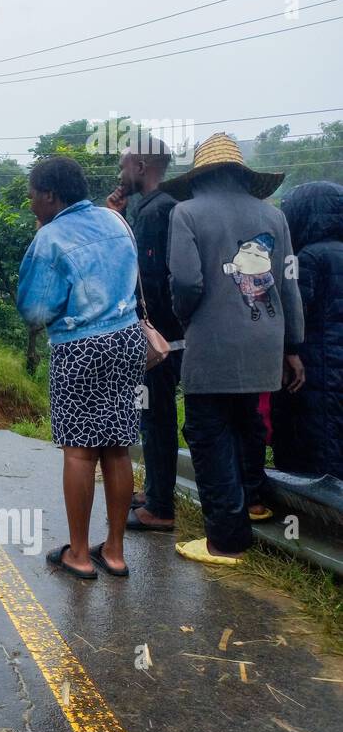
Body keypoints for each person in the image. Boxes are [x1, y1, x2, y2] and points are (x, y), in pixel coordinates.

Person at [163, 134, 304, 565]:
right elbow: (288, 284)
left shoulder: (185, 212)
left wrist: (189, 318)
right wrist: (293, 346)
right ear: (243, 175)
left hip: (212, 343)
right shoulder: (272, 216)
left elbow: (186, 283)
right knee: (249, 428)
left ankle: (224, 541)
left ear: (199, 177)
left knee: (208, 434)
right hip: (266, 342)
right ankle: (251, 510)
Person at [17, 156, 145, 580]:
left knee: (79, 449)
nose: (31, 203)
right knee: (117, 447)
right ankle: (114, 551)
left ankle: (76, 553)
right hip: (127, 340)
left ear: (50, 196)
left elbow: (35, 310)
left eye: (33, 195)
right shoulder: (115, 222)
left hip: (80, 346)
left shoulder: (51, 237)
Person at [106, 139, 185, 533]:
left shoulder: (159, 212)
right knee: (153, 415)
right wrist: (117, 218)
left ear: (139, 164)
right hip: (166, 334)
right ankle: (154, 492)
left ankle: (160, 507)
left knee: (158, 418)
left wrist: (141, 325)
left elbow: (148, 279)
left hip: (161, 337)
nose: (121, 175)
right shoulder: (152, 208)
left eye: (123, 166)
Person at [271, 181, 342, 478]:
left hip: (314, 362)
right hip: (335, 360)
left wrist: (289, 350)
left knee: (315, 431)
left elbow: (295, 311)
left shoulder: (307, 258)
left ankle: (316, 505)